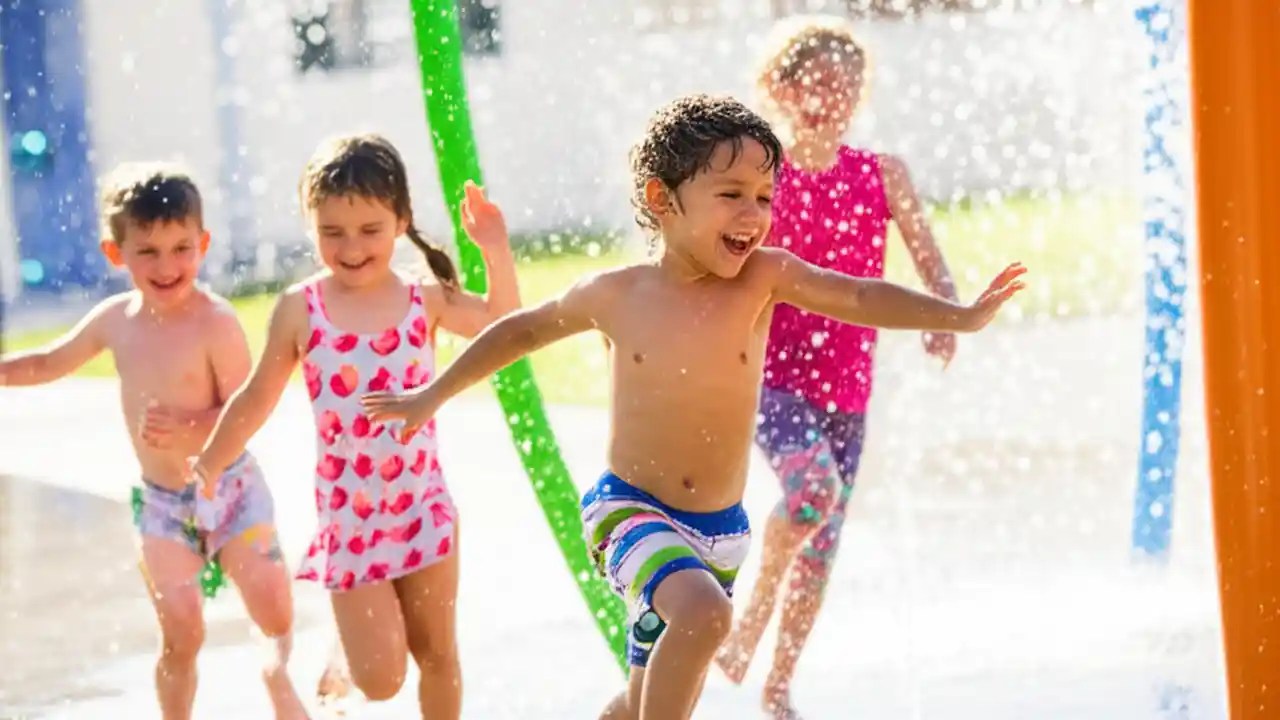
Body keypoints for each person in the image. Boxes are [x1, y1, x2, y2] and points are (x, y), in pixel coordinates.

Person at [359, 94, 1026, 720]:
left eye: (764, 197)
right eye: (731, 195)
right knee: (705, 618)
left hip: (720, 536)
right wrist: (431, 395)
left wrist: (958, 316)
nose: (753, 215)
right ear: (663, 199)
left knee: (644, 695)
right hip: (629, 514)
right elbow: (522, 329)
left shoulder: (765, 278)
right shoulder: (619, 295)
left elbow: (859, 297)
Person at [188, 133, 518, 719]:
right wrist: (212, 460)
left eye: (369, 230)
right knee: (385, 680)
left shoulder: (424, 299)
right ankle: (347, 649)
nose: (351, 247)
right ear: (309, 223)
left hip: (423, 506)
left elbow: (504, 329)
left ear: (401, 221)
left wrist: (493, 247)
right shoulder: (301, 308)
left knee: (438, 652)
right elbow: (258, 394)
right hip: (352, 517)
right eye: (331, 232)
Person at [715, 15, 963, 718]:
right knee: (810, 491)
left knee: (822, 545)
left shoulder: (881, 175)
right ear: (781, 88)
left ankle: (779, 682)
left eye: (849, 85)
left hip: (846, 386)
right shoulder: (763, 176)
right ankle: (745, 629)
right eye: (821, 83)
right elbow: (722, 254)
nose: (836, 96)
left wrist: (945, 307)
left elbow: (926, 252)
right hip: (772, 374)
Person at [0, 164, 308, 720]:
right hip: (164, 505)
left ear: (203, 244)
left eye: (181, 248)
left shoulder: (215, 322)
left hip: (232, 489)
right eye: (148, 252)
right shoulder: (116, 321)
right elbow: (50, 361)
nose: (167, 266)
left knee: (274, 608)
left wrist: (190, 430)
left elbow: (248, 409)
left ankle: (277, 669)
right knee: (182, 631)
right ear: (116, 253)